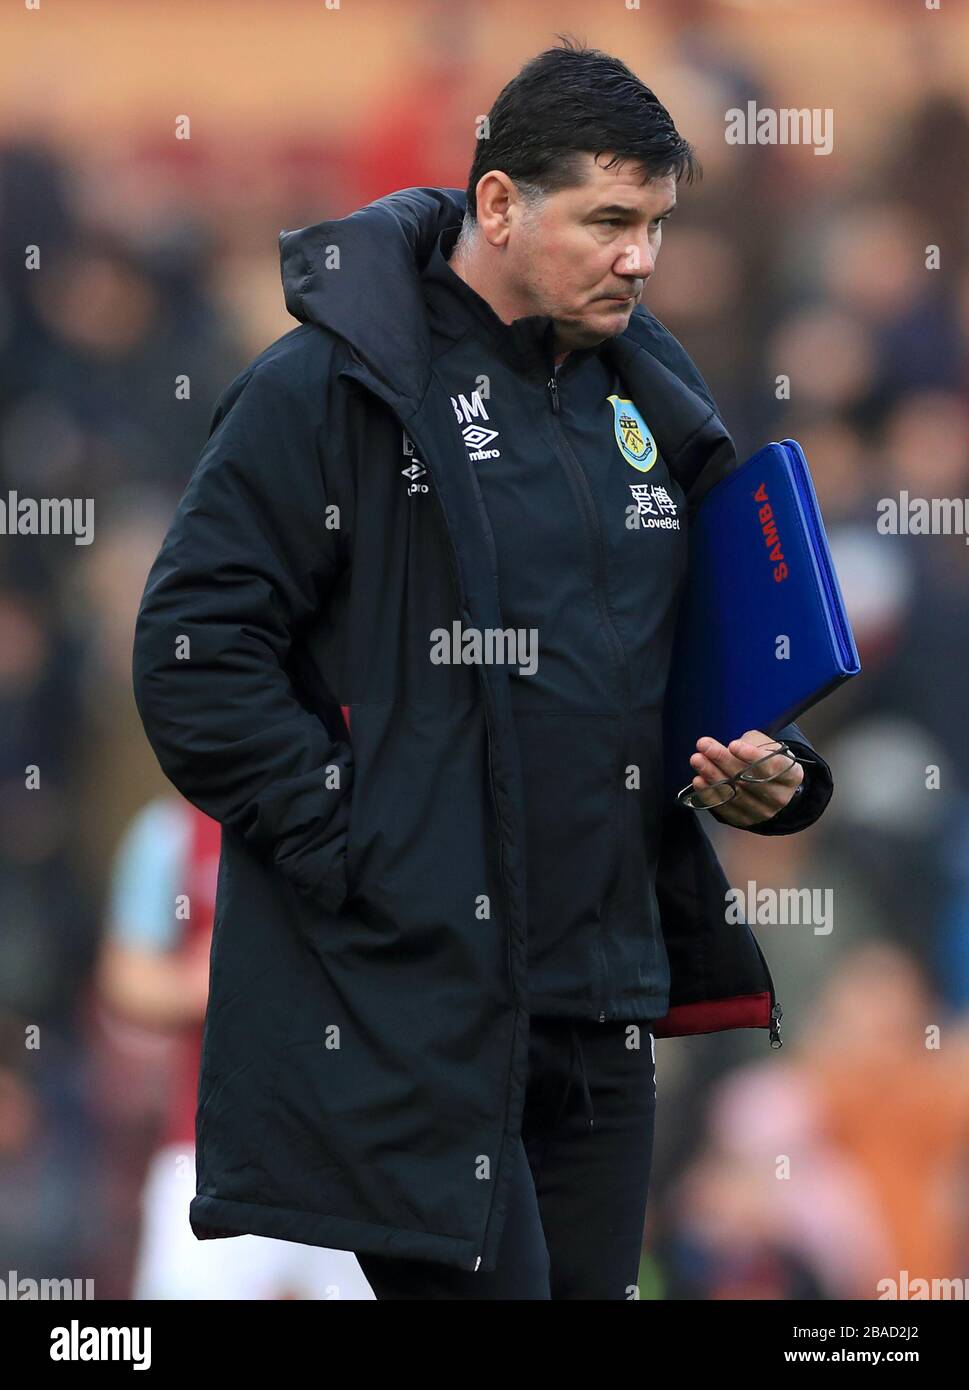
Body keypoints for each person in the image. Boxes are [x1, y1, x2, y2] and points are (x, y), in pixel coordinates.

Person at [132, 39, 833, 1299]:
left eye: (659, 224)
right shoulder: (327, 390)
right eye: (610, 219)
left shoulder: (650, 400)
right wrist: (359, 834)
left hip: (609, 1000)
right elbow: (193, 654)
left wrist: (773, 771)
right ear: (498, 203)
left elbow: (705, 661)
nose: (642, 257)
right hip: (421, 1012)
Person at [97, 795, 375, 1299]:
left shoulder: (383, 816)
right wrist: (214, 977)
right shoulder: (174, 829)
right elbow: (126, 977)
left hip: (360, 1159)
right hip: (208, 1155)